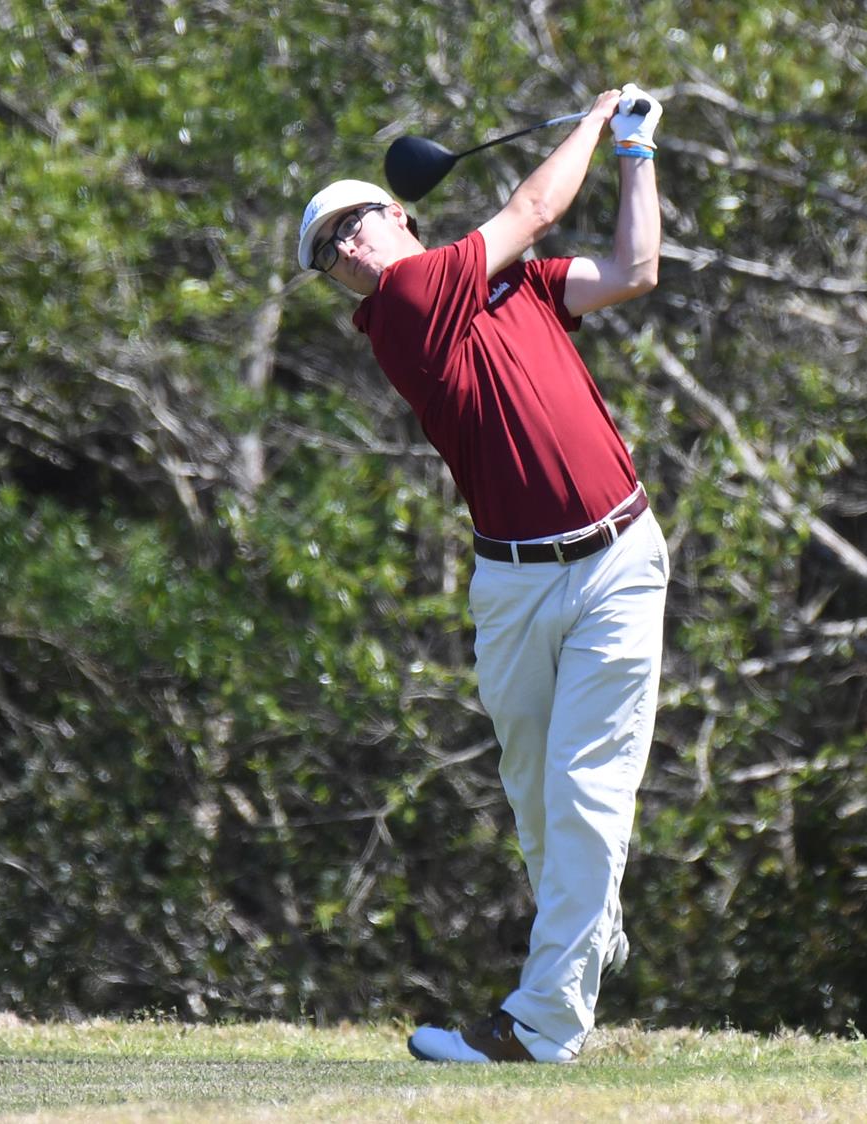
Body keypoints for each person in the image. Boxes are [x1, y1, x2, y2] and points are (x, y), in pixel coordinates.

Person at [296, 84, 667, 1064]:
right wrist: (591, 118)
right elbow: (533, 208)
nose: (341, 254)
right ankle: (584, 933)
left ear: (397, 215)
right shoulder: (407, 308)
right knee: (533, 792)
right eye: (325, 255)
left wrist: (634, 152)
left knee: (584, 791)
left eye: (348, 227)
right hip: (512, 584)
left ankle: (539, 1023)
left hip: (616, 563)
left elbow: (633, 268)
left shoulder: (510, 284)